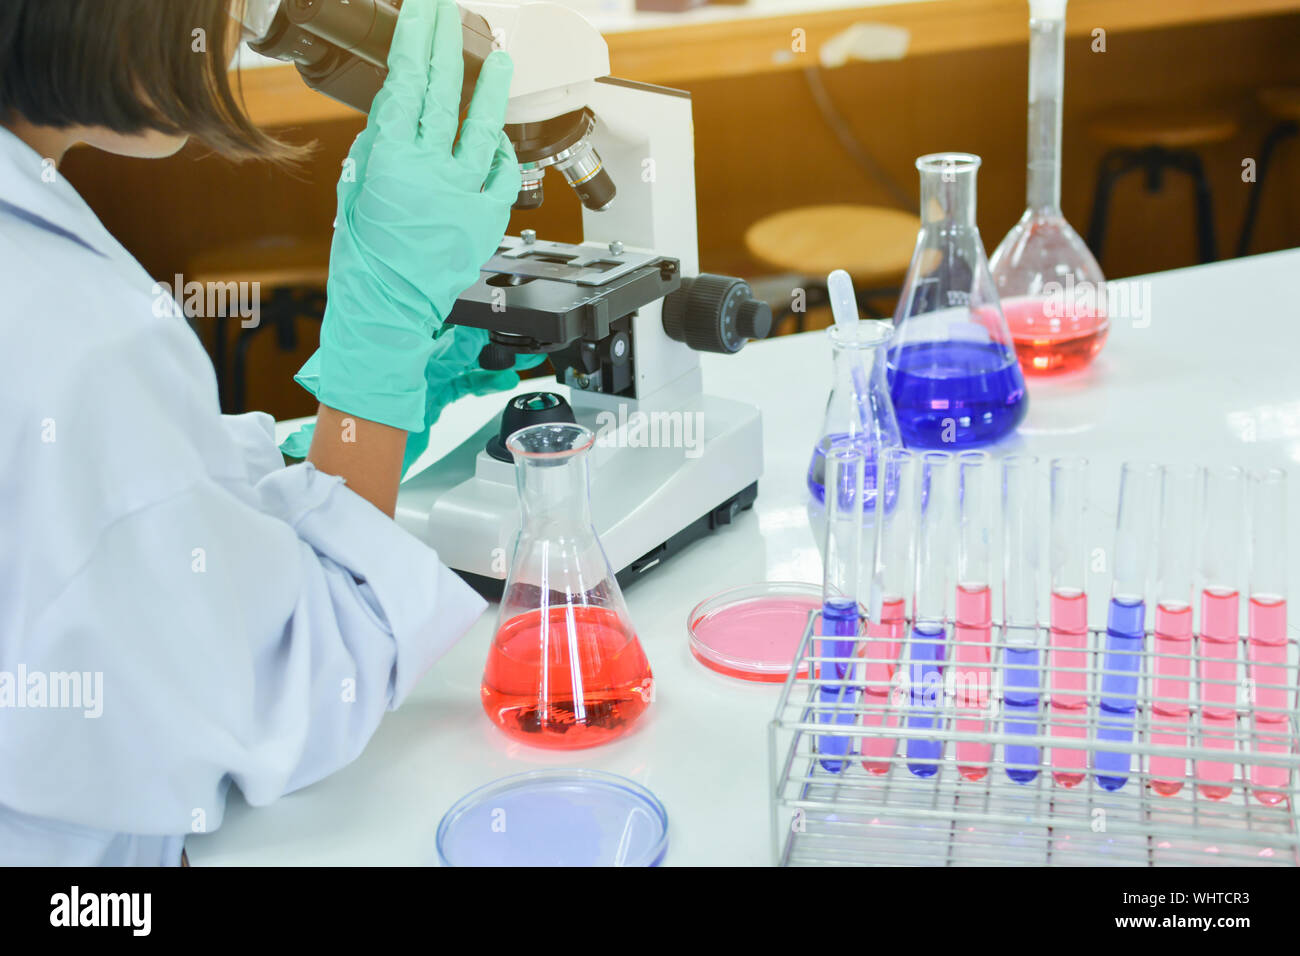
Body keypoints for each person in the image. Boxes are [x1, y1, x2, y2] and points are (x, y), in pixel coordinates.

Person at [0, 0, 527, 864]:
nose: (243, 22)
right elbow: (301, 688)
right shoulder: (74, 339)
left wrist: (346, 424)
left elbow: (135, 514)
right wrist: (373, 376)